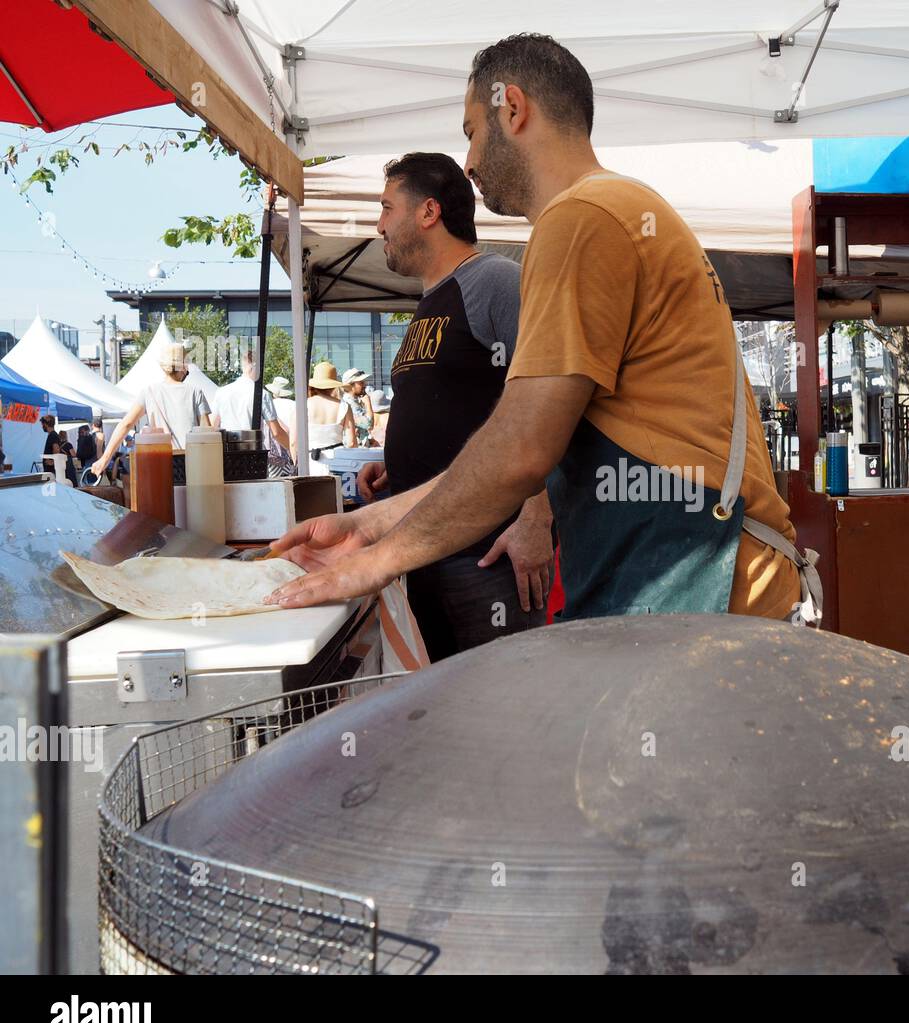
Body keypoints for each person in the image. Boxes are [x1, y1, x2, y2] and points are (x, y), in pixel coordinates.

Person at [268, 34, 817, 625]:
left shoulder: (581, 217)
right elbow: (507, 450)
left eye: (472, 131)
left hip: (702, 584)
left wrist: (377, 561)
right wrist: (366, 524)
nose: (470, 162)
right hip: (690, 579)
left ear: (514, 108)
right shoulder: (617, 208)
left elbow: (520, 451)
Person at [340, 151, 554, 659]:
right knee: (447, 714)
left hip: (487, 557)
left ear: (428, 212)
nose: (379, 225)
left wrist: (536, 517)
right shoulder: (430, 303)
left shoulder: (494, 282)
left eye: (387, 208)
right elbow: (455, 409)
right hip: (426, 547)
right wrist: (399, 467)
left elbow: (552, 398)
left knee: (501, 711)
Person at [92, 342, 211, 478]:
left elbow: (126, 424)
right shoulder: (195, 392)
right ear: (183, 367)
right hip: (192, 464)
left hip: (159, 462)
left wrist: (104, 459)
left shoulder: (149, 392)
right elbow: (207, 431)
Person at [340, 368, 376, 446]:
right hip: (355, 452)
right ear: (350, 385)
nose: (365, 385)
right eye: (361, 382)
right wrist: (368, 402)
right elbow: (369, 424)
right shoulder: (349, 403)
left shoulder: (354, 401)